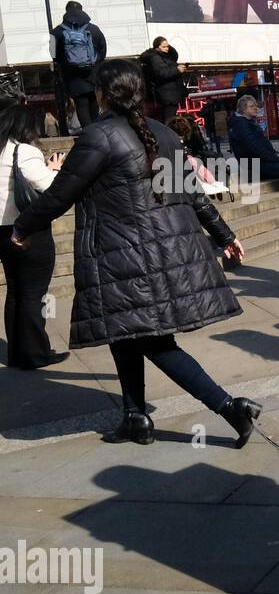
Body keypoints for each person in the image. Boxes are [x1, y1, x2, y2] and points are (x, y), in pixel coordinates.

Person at [9, 60, 262, 446]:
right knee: (124, 332)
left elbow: (61, 193)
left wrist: (22, 227)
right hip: (161, 253)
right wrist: (225, 235)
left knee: (153, 341)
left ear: (102, 94)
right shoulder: (164, 134)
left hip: (123, 256)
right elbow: (195, 197)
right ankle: (134, 416)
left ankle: (229, 406)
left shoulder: (98, 137)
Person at [0, 102, 68, 369]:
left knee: (15, 291)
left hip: (2, 232)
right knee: (33, 293)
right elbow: (50, 188)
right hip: (29, 229)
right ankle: (36, 353)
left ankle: (18, 352)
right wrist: (55, 168)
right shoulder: (24, 150)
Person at [52, 1, 106, 130]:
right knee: (94, 102)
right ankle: (98, 131)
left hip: (72, 74)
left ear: (66, 12)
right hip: (92, 72)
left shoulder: (58, 31)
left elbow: (54, 54)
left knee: (81, 104)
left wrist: (65, 63)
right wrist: (96, 61)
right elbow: (103, 49)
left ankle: (89, 133)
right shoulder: (93, 29)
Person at [140, 36, 190, 125]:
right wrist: (177, 70)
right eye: (164, 47)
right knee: (169, 121)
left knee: (170, 119)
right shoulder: (156, 58)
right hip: (167, 96)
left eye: (168, 46)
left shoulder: (167, 56)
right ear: (157, 47)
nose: (167, 48)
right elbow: (161, 73)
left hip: (171, 95)